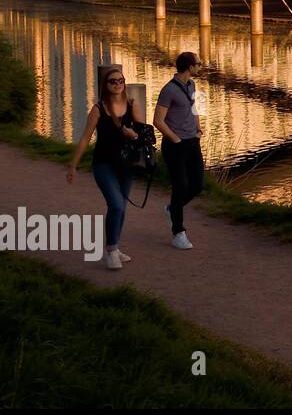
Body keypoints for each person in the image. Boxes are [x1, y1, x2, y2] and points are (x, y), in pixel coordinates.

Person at [67, 66, 141, 270]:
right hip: (103, 164)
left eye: (121, 80)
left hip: (126, 164)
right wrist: (73, 165)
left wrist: (132, 134)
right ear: (105, 86)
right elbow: (84, 138)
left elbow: (143, 134)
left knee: (122, 207)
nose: (118, 84)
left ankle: (115, 248)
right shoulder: (98, 109)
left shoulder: (132, 104)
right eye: (113, 81)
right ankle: (111, 250)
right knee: (116, 205)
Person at [153, 52, 205, 250]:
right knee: (180, 185)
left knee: (198, 184)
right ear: (190, 67)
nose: (200, 67)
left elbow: (194, 109)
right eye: (198, 64)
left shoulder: (191, 85)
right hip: (175, 145)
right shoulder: (168, 90)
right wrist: (174, 138)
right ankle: (178, 232)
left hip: (193, 142)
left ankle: (173, 208)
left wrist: (198, 130)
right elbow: (157, 120)